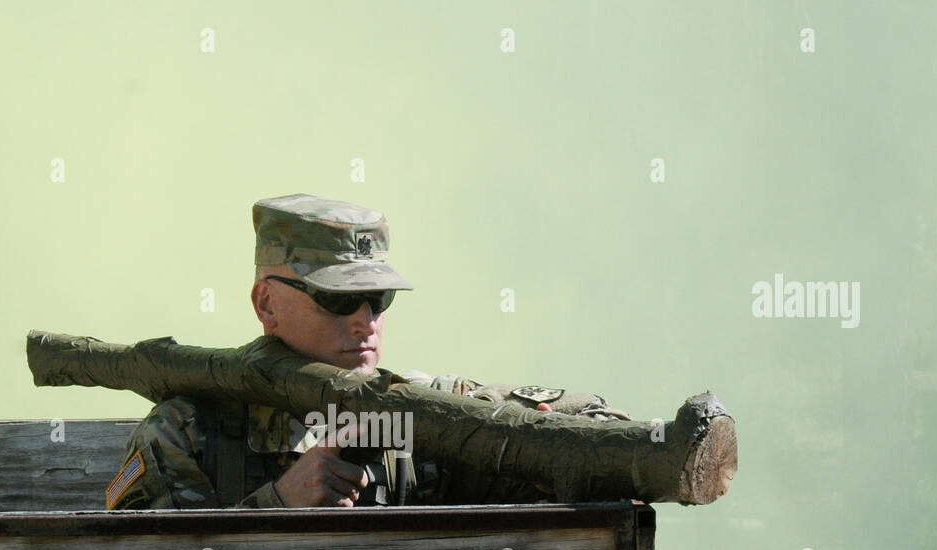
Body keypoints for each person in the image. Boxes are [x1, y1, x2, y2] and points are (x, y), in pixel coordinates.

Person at [105, 193, 663, 512]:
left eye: (377, 299)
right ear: (266, 304)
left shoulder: (418, 415)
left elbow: (558, 453)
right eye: (336, 297)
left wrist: (548, 451)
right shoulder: (187, 432)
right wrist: (278, 505)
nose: (364, 320)